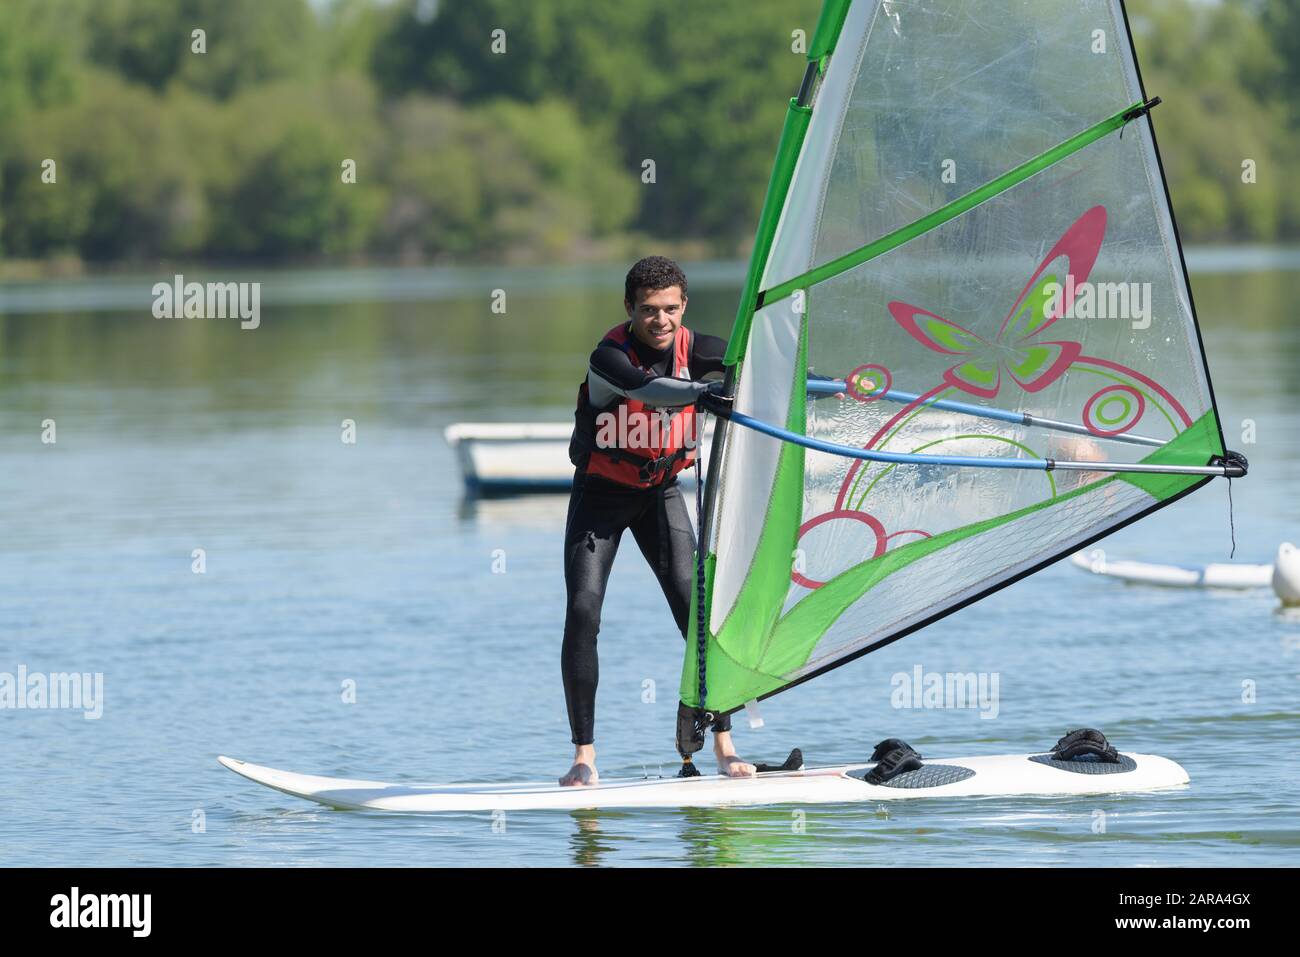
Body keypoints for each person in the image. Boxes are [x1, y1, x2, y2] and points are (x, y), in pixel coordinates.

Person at [559, 256, 755, 786]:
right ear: (630, 309)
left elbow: (771, 372)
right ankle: (584, 758)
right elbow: (647, 391)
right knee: (583, 610)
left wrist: (843, 385)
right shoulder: (609, 357)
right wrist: (704, 393)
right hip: (601, 497)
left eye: (670, 309)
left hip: (661, 491)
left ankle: (723, 744)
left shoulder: (701, 349)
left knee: (696, 612)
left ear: (683, 306)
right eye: (648, 310)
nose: (661, 320)